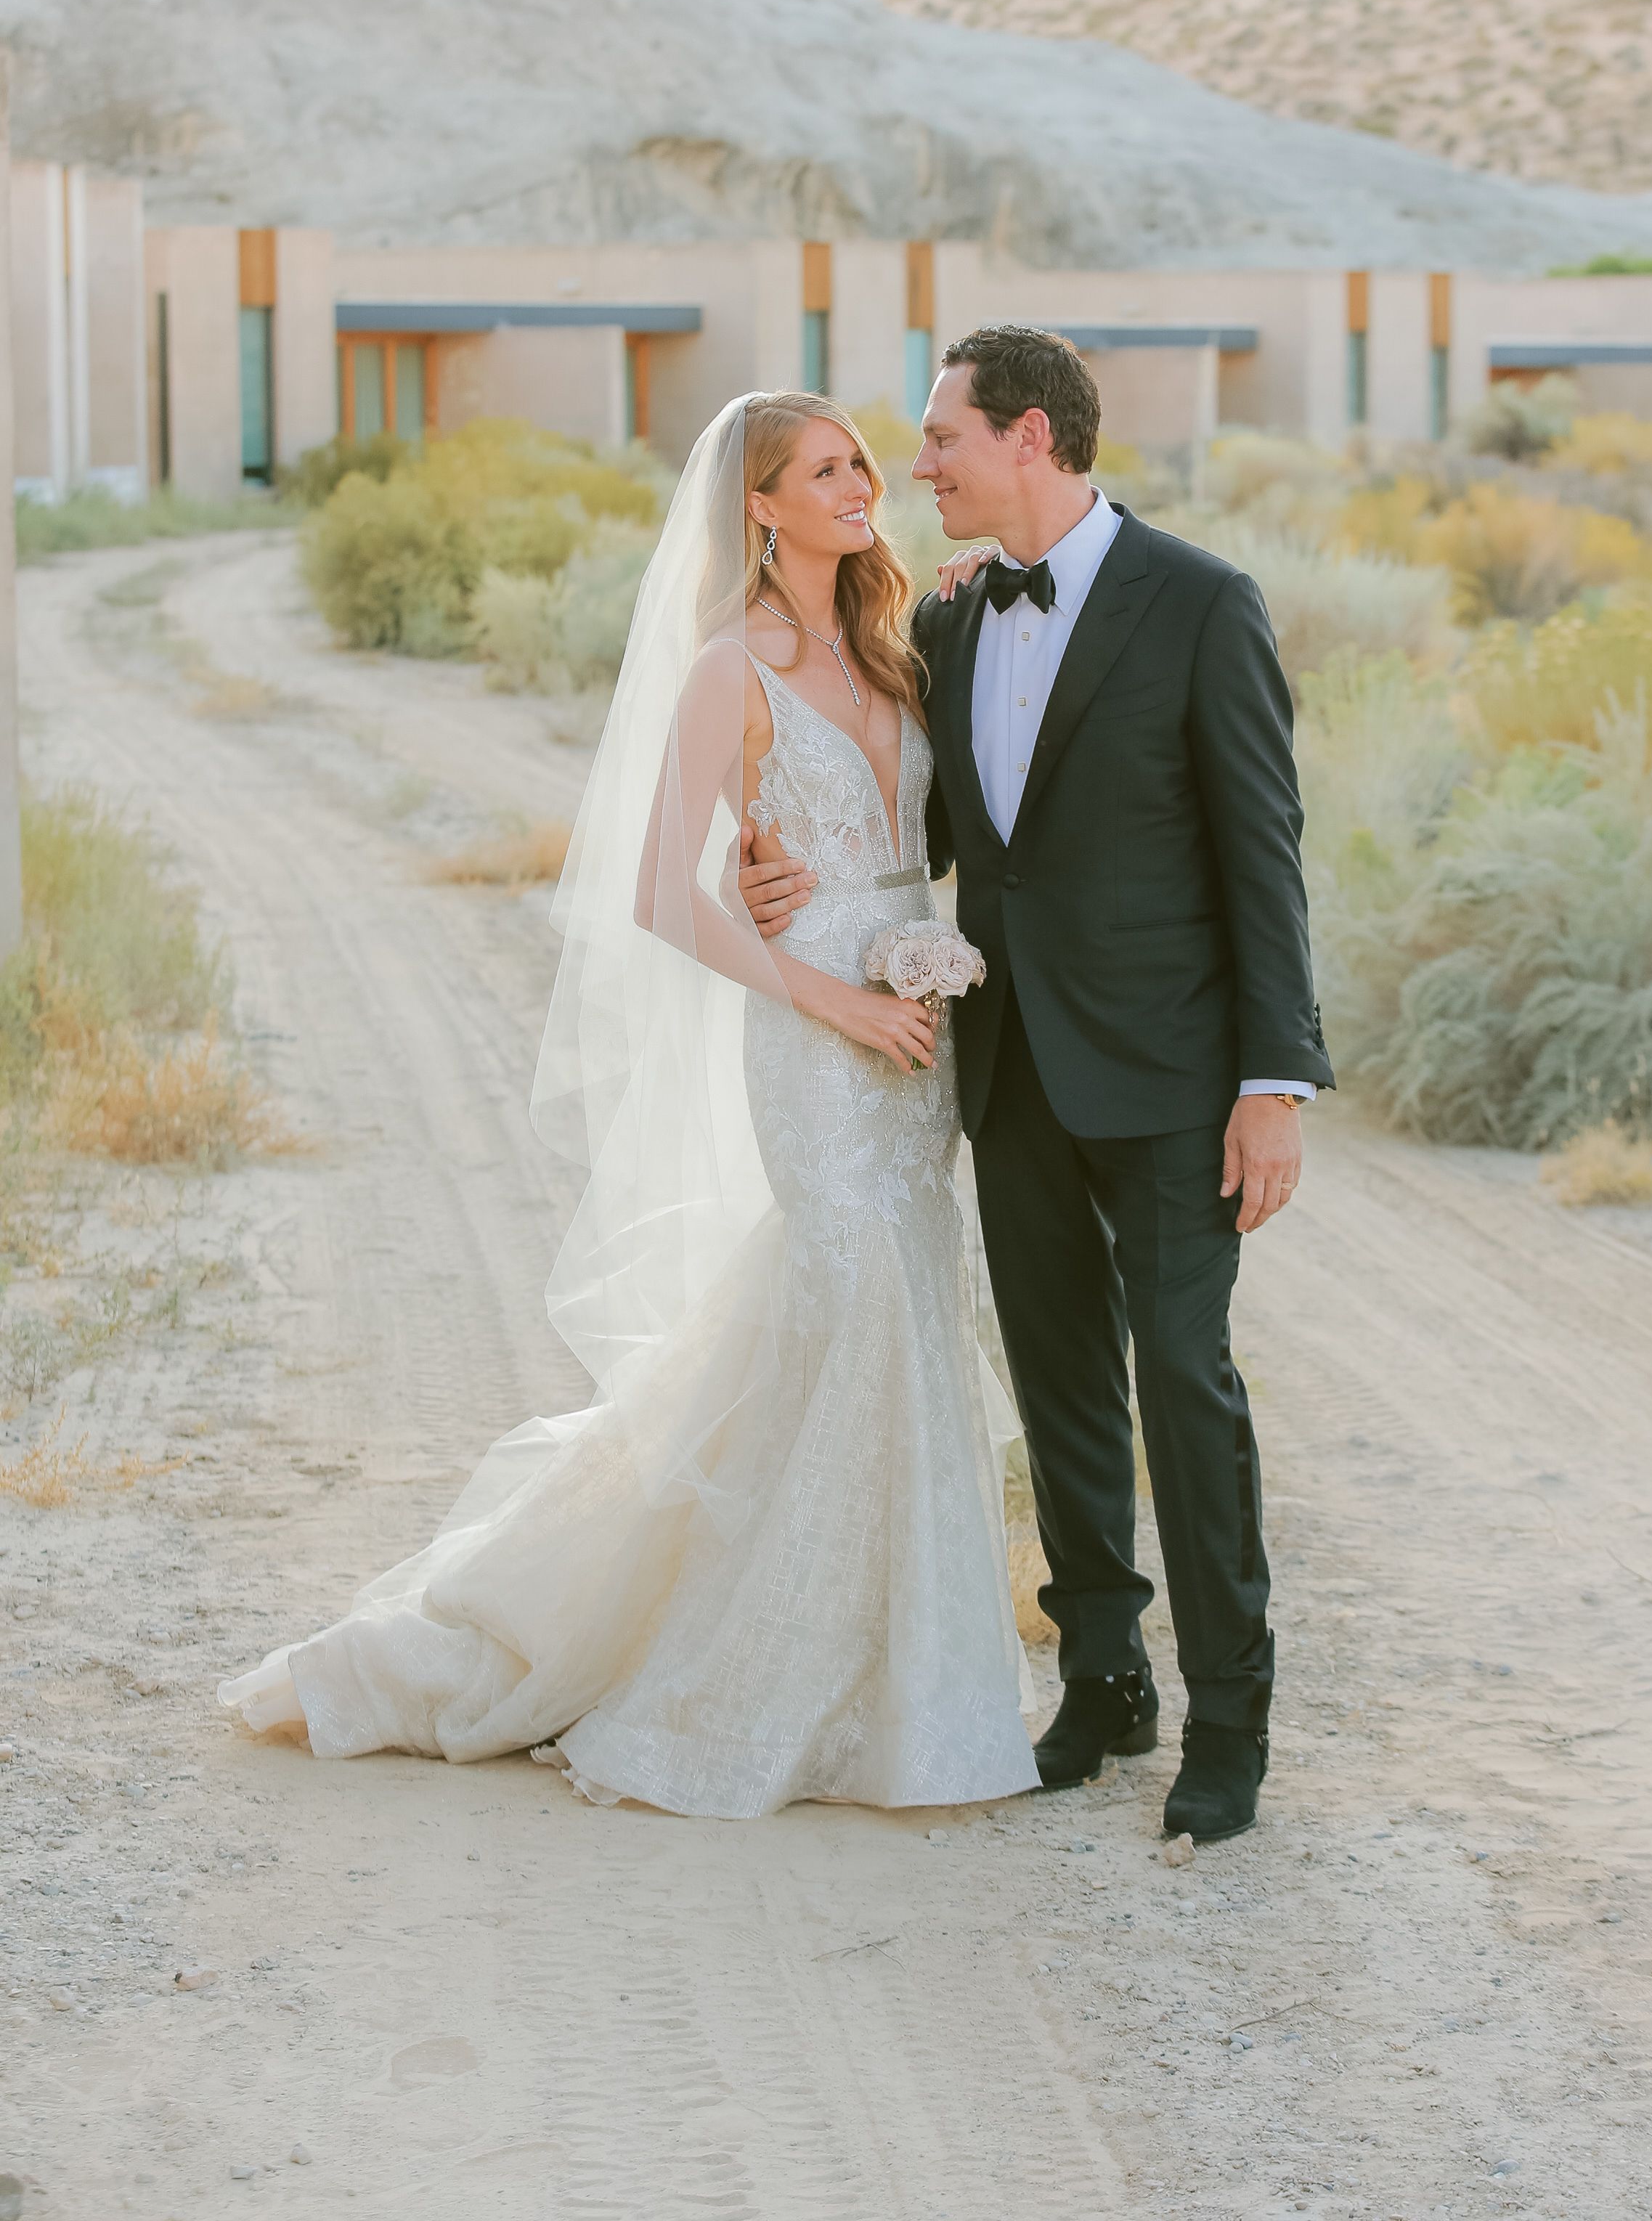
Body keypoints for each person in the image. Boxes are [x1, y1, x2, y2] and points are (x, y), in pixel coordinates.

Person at [220, 394, 1038, 1817]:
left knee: (895, 1318)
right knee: (855, 1309)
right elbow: (662, 891)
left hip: (918, 1034)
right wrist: (821, 987)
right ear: (758, 510)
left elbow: (930, 829)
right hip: (816, 1042)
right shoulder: (731, 669)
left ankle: (908, 1676)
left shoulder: (898, 639)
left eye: (862, 462)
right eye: (826, 470)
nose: (862, 485)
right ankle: (757, 1680)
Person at [743, 328, 1332, 1842]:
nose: (914, 464)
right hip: (1004, 1077)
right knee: (1061, 1388)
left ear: (1027, 439)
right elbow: (912, 832)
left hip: (1174, 1078)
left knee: (1183, 1391)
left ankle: (1230, 1723)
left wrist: (1272, 1081)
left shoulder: (1199, 605)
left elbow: (1260, 859)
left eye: (938, 438)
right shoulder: (941, 623)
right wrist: (776, 870)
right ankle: (1101, 1682)